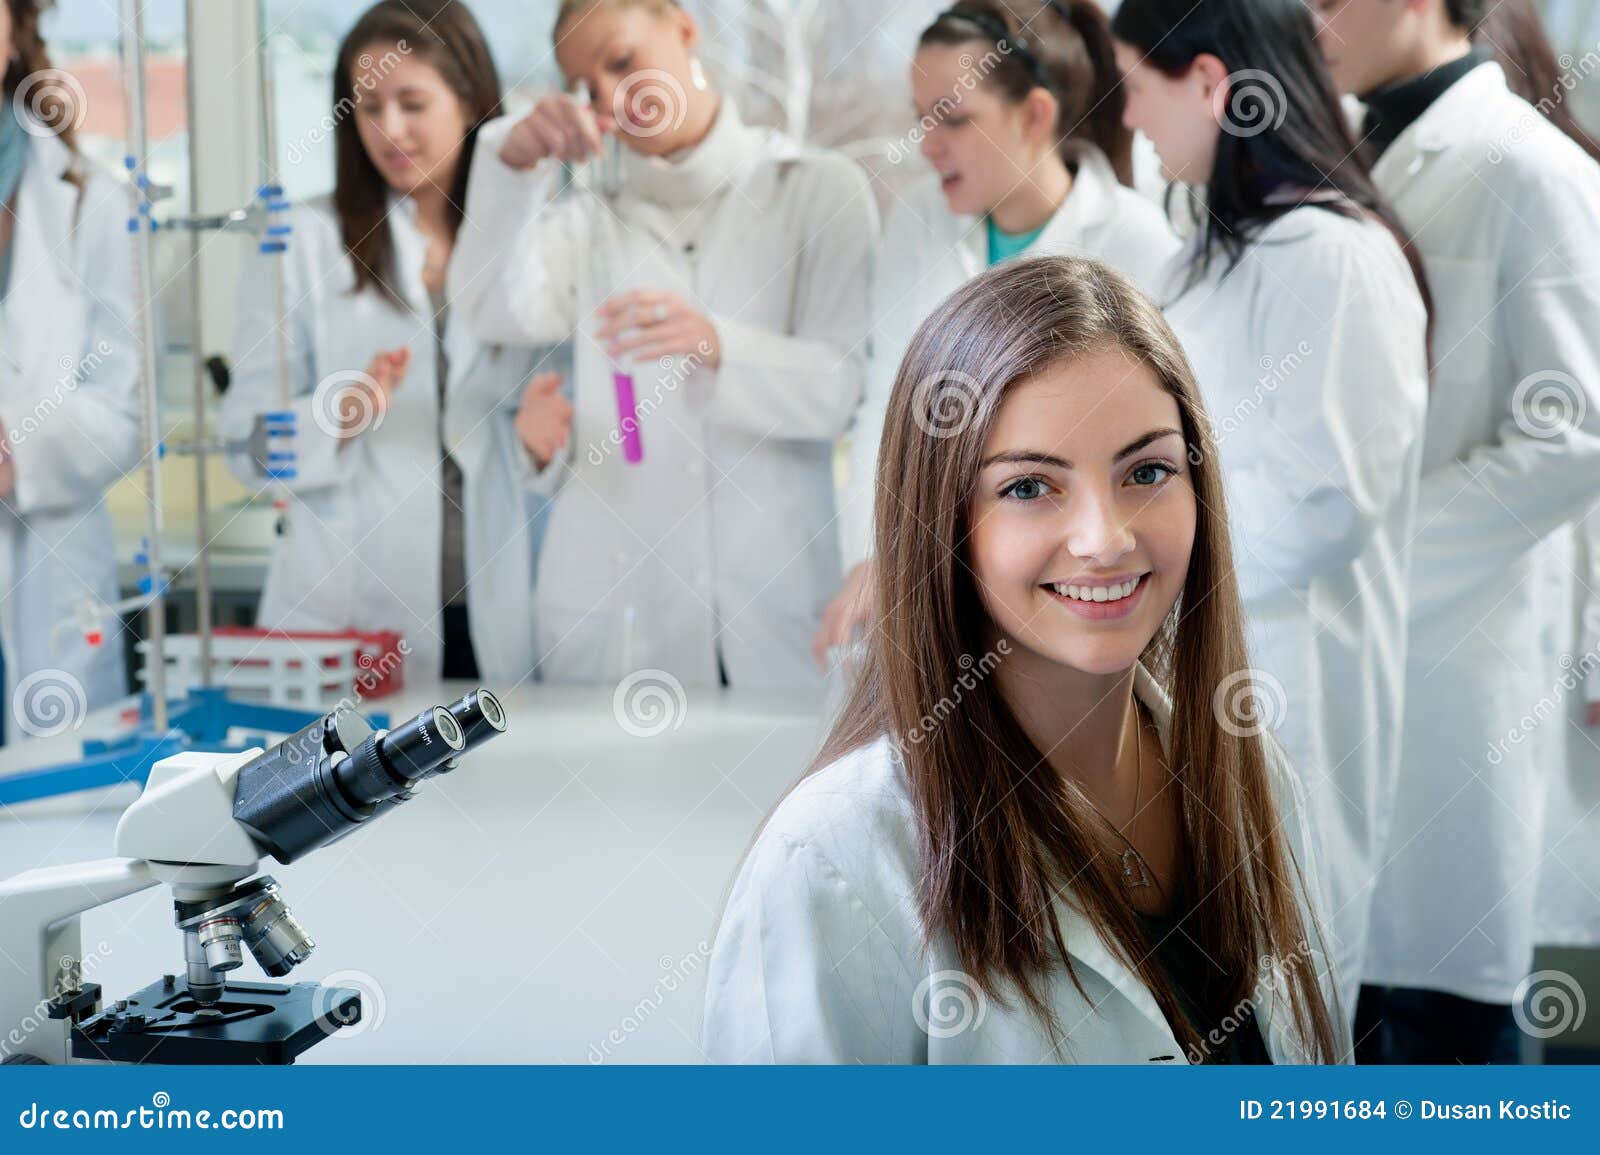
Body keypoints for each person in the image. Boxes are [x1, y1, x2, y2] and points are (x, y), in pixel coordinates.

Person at [703, 255, 1347, 1065]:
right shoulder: (834, 861)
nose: (1105, 539)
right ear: (944, 519)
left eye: (1147, 471)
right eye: (1029, 487)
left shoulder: (1251, 775)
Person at [1110, 0, 1430, 1032]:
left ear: (1211, 84)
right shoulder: (1206, 254)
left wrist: (1139, 557)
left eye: (1138, 90)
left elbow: (1324, 503)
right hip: (1198, 679)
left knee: (1284, 997)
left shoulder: (1327, 255)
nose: (1131, 122)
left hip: (1284, 685)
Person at [1313, 0, 1600, 1063]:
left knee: (1449, 1015)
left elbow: (1575, 433)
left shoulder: (1530, 169)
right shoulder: (1331, 146)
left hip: (1457, 653)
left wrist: (1368, 560)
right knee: (1348, 1000)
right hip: (1339, 656)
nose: (1308, 17)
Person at [449, 0, 878, 689]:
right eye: (590, 87)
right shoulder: (586, 221)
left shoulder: (819, 190)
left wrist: (717, 345)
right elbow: (490, 310)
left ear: (683, 28)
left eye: (622, 62)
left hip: (778, 617)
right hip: (622, 619)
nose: (615, 98)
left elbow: (839, 390)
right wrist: (512, 163)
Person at [815, 0, 1179, 664]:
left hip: (1080, 574)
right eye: (921, 118)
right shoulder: (917, 226)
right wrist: (875, 559)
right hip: (937, 581)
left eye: (953, 120)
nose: (927, 144)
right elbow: (885, 410)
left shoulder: (1135, 240)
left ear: (1035, 115)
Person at [222, 0, 553, 685]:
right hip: (352, 608)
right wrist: (336, 415)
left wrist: (544, 441)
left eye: (411, 102)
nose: (389, 130)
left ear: (469, 100)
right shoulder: (302, 241)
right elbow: (244, 444)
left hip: (496, 599)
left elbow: (565, 424)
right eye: (367, 108)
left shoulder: (531, 242)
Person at [0, 0, 140, 740]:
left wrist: (18, 447)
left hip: (48, 569)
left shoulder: (91, 201)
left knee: (50, 824)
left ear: (15, 24)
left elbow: (124, 410)